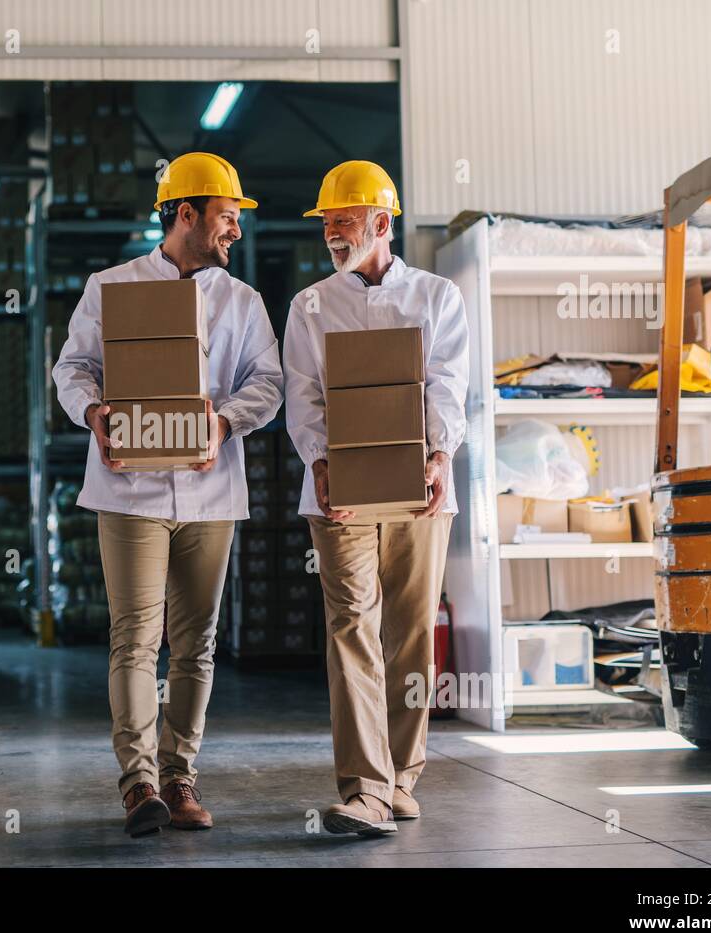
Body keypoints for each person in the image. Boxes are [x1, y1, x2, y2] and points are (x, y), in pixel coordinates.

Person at [52, 152, 284, 837]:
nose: (235, 230)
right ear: (186, 213)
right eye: (227, 216)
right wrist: (94, 413)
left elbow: (267, 384)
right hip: (130, 490)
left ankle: (181, 775)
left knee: (196, 644)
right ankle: (140, 784)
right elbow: (72, 368)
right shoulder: (110, 287)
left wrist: (221, 419)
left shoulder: (242, 302)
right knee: (134, 639)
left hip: (211, 494)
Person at [282, 160, 469, 837]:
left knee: (413, 632)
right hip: (339, 496)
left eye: (344, 221)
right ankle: (364, 787)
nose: (332, 234)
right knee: (352, 630)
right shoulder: (310, 306)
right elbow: (301, 395)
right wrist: (321, 463)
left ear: (381, 223)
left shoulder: (437, 297)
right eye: (327, 224)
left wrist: (440, 452)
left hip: (420, 490)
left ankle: (399, 776)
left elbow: (447, 384)